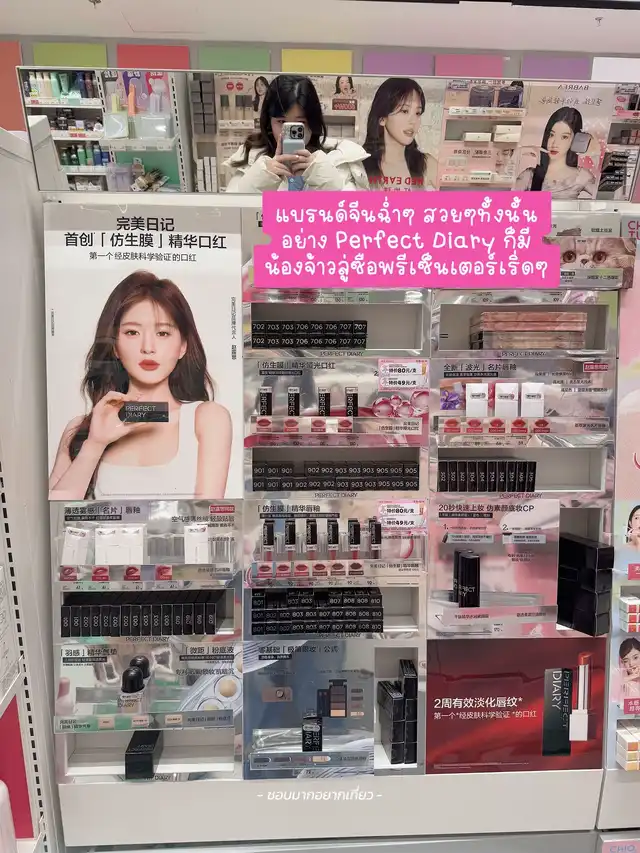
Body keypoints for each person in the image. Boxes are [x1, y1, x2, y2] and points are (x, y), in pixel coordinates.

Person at [49, 271, 231, 500]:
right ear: (115, 346)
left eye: (163, 333)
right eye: (132, 332)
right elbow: (56, 517)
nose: (148, 347)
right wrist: (95, 444)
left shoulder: (206, 419)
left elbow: (208, 517)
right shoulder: (80, 429)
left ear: (183, 346)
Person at [223, 74, 369, 192]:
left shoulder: (339, 160)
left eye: (300, 123)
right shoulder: (250, 159)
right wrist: (262, 179)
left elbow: (352, 214)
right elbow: (232, 213)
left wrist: (322, 178)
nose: (289, 131)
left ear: (313, 122)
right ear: (269, 122)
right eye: (281, 121)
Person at [362, 77, 433, 190]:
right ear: (382, 119)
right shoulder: (360, 166)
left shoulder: (428, 165)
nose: (413, 121)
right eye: (404, 111)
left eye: (418, 113)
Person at [515, 106, 599, 199]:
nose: (554, 143)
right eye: (551, 135)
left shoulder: (581, 176)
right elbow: (508, 204)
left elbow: (605, 199)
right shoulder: (528, 175)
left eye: (564, 137)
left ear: (575, 140)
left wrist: (595, 153)